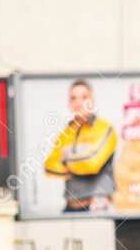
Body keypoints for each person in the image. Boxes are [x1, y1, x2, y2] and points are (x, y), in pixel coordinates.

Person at [43, 80, 120, 213]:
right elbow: (49, 166)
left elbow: (92, 164)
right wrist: (79, 161)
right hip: (71, 206)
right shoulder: (66, 132)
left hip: (98, 205)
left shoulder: (105, 129)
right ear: (69, 103)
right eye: (74, 98)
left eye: (84, 97)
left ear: (92, 101)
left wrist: (66, 160)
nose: (79, 102)